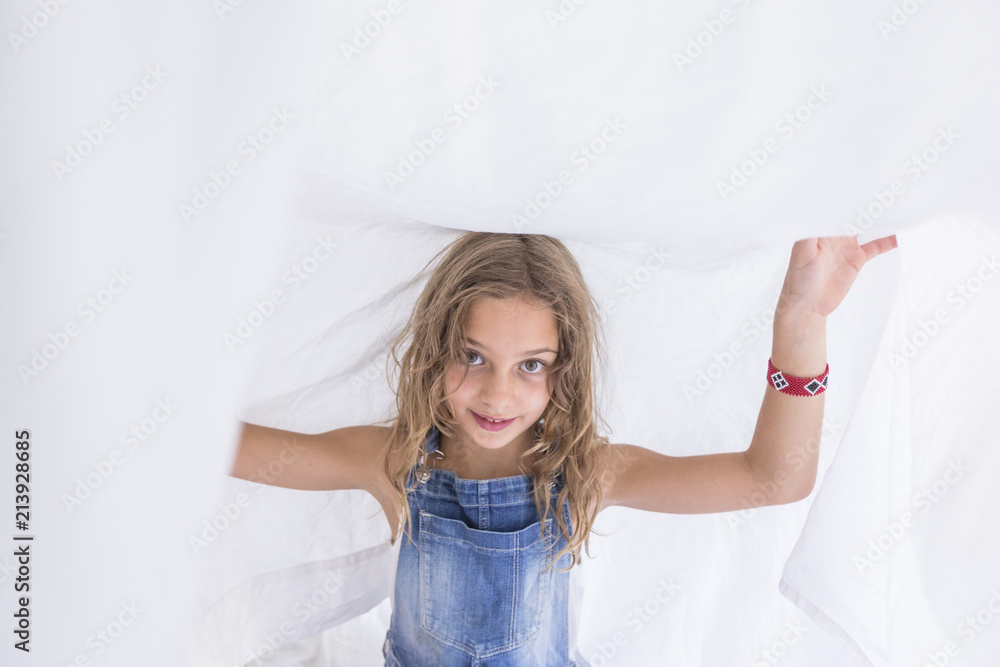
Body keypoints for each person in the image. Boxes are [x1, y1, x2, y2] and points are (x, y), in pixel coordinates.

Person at [229, 230, 898, 666]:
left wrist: (801, 321)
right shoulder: (395, 464)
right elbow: (217, 447)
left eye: (531, 364)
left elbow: (771, 479)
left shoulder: (588, 476)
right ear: (434, 353)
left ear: (566, 371)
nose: (497, 394)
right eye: (472, 356)